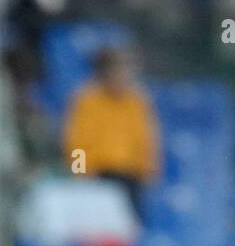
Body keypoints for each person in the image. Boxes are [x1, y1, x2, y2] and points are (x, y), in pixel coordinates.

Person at [62, 46, 161, 215]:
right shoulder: (86, 102)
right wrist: (80, 174)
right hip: (98, 177)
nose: (124, 77)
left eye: (128, 71)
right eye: (118, 71)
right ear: (104, 73)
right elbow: (76, 142)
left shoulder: (137, 102)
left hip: (131, 178)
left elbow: (147, 141)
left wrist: (147, 171)